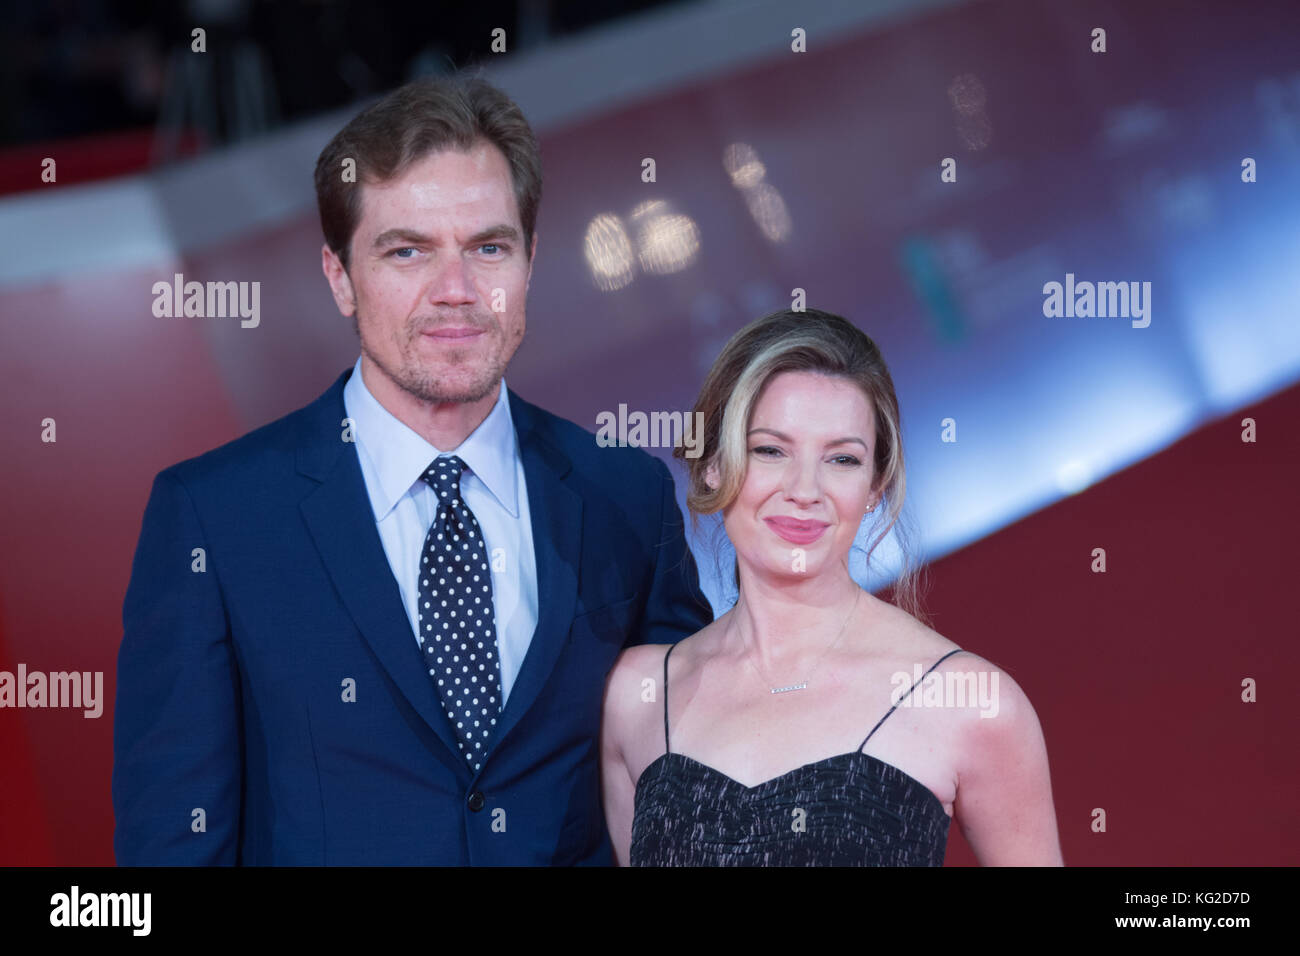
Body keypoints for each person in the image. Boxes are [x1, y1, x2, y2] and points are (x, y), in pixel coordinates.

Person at [112, 74, 713, 866]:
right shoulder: (215, 519)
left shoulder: (626, 495)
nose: (456, 292)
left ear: (530, 264)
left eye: (489, 248)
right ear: (340, 278)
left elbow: (694, 786)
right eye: (407, 252)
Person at [600, 309, 1063, 865]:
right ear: (714, 464)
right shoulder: (638, 695)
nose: (804, 490)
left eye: (842, 459)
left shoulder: (968, 700)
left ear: (874, 486)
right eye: (770, 450)